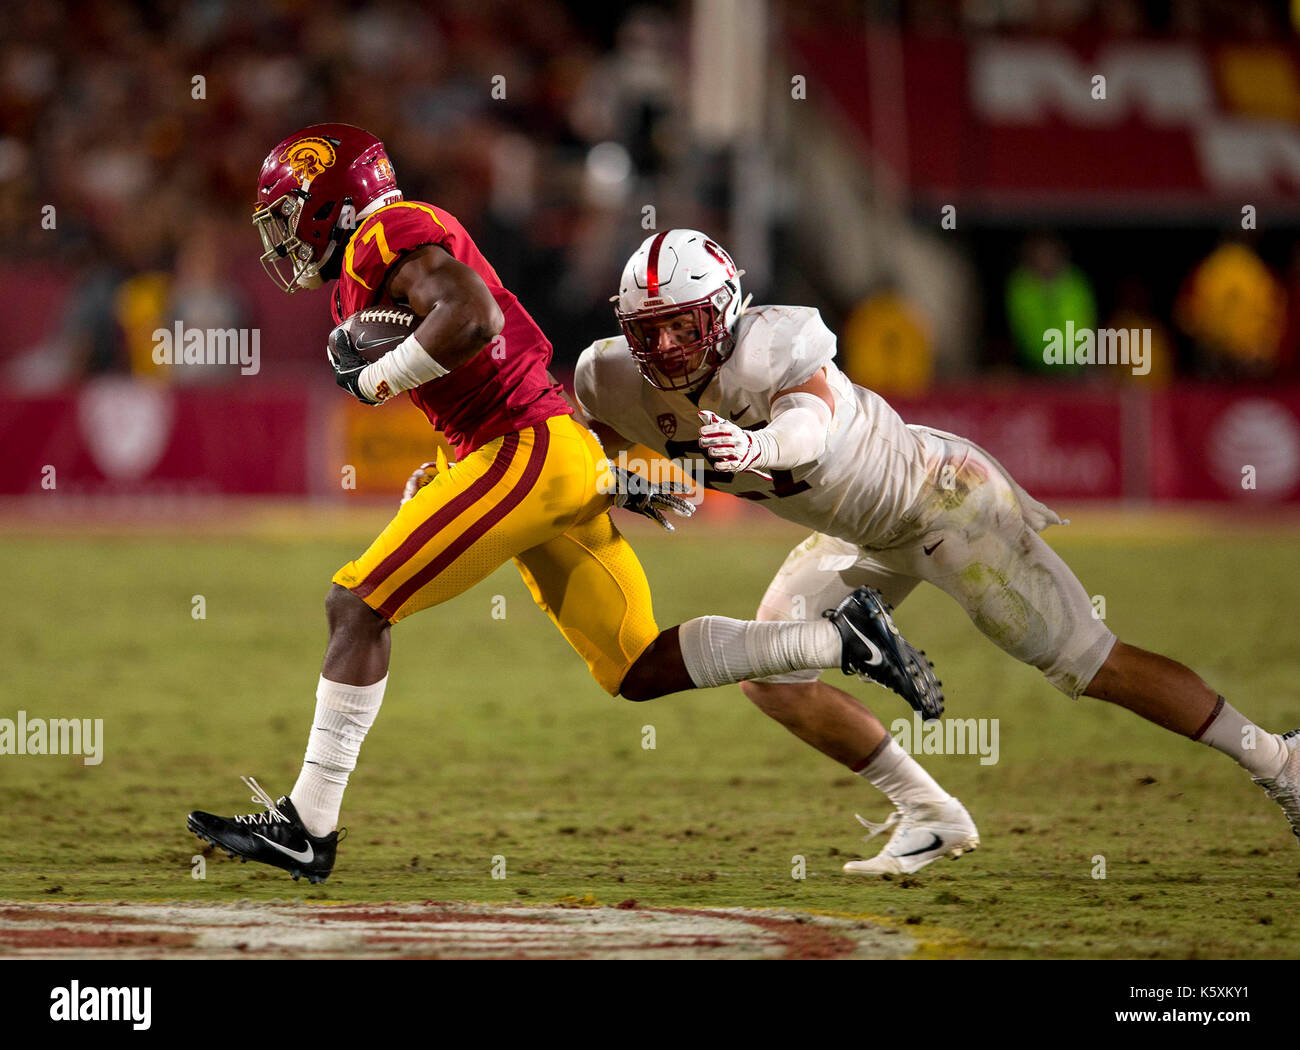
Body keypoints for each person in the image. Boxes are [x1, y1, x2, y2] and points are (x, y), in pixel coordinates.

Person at [185, 127, 941, 883]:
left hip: (523, 452)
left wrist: (377, 380)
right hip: (543, 450)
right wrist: (510, 470)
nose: (281, 239)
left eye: (287, 215)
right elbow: (487, 366)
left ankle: (308, 825)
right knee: (636, 666)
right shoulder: (371, 262)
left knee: (356, 605)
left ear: (330, 202)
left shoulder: (381, 233)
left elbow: (474, 317)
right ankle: (840, 643)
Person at [574, 228, 1300, 874]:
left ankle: (1278, 759)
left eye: (682, 325)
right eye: (651, 329)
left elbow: (812, 426)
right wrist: (615, 479)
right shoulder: (610, 378)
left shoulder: (781, 343)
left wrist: (756, 445)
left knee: (1090, 665)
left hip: (944, 503)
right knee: (774, 679)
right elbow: (583, 454)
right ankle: (930, 813)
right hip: (858, 532)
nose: (666, 347)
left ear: (728, 310)